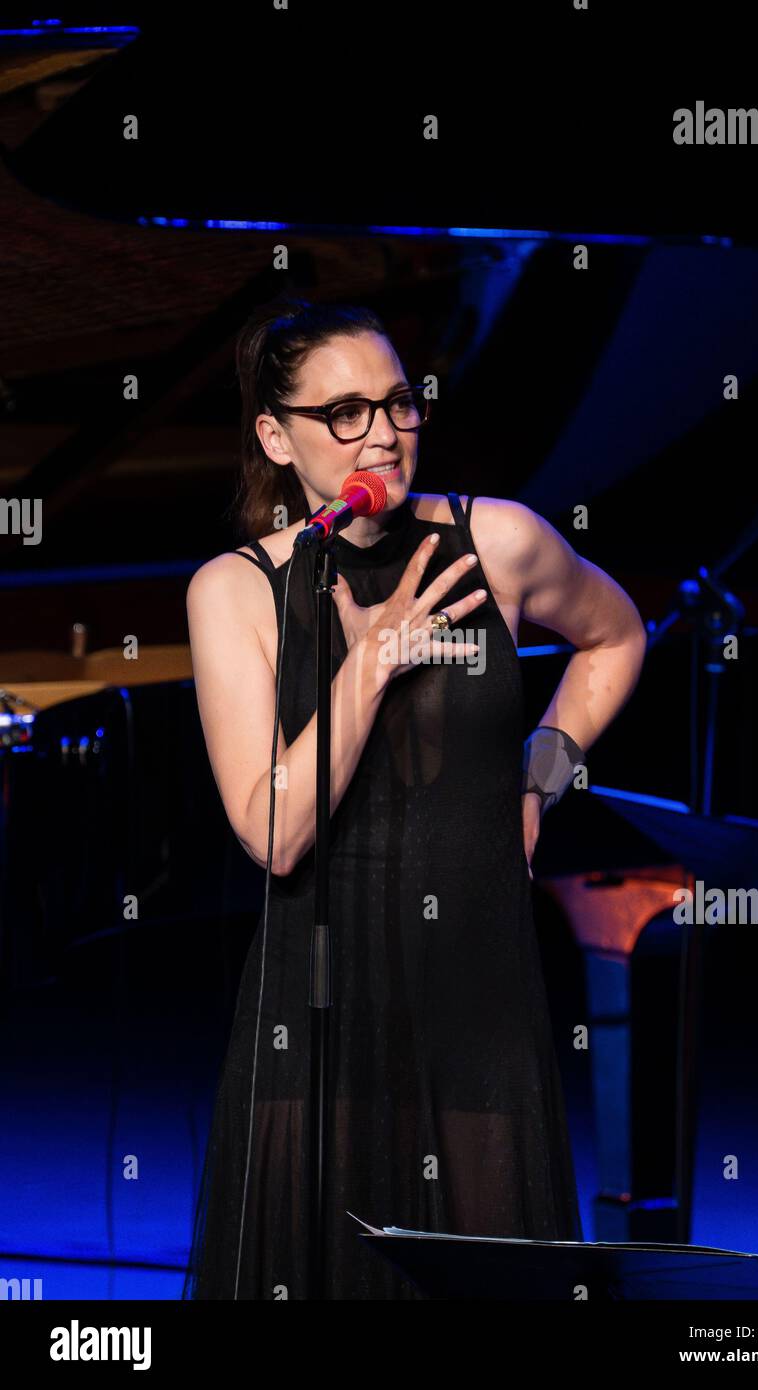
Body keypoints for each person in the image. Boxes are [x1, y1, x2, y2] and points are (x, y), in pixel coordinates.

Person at [181, 295, 647, 1299]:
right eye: (345, 411)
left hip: (478, 991)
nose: (385, 433)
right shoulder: (235, 591)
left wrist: (543, 769)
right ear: (277, 435)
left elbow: (616, 634)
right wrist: (371, 663)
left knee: (482, 1286)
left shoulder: (503, 543)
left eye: (398, 402)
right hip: (316, 1005)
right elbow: (275, 832)